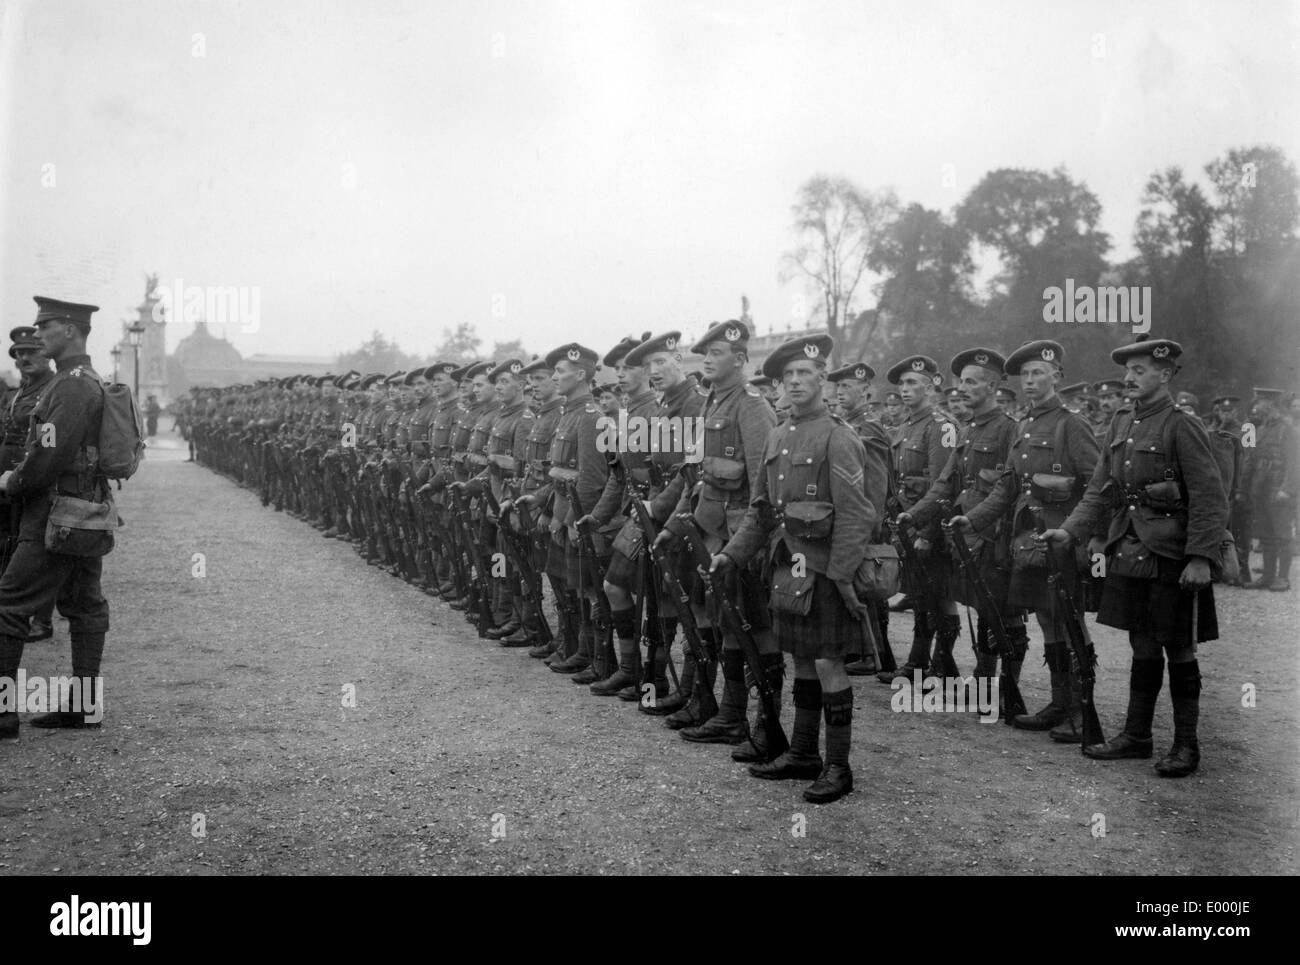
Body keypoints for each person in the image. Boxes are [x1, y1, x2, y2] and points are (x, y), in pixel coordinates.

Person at [1043, 336, 1226, 777]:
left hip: (1171, 554)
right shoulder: (1122, 421)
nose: (1129, 378)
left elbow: (1209, 495)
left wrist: (1201, 556)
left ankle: (1186, 745)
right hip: (1129, 548)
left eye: (1139, 371)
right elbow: (1099, 490)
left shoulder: (1182, 424)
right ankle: (1137, 736)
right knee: (1141, 642)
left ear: (1164, 375)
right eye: (1128, 371)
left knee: (1179, 648)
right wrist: (1070, 531)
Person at [715, 333, 873, 803]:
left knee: (828, 662)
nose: (796, 382)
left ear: (822, 379)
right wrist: (732, 554)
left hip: (824, 571)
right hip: (790, 567)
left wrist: (842, 575)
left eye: (805, 373)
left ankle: (839, 767)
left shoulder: (839, 437)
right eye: (788, 375)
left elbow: (856, 514)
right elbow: (761, 510)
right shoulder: (779, 436)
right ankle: (803, 752)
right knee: (802, 659)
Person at [948, 339, 1100, 742]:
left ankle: (1084, 711)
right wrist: (973, 519)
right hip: (1031, 544)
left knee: (1072, 622)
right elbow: (1008, 486)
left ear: (1057, 377)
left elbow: (1098, 486)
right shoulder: (1026, 426)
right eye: (1026, 374)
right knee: (1050, 620)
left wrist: (1080, 535)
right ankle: (1058, 703)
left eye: (1039, 373)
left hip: (1062, 541)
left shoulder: (1072, 424)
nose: (1031, 381)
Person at [650, 320, 779, 752]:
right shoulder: (711, 403)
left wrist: (745, 544)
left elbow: (764, 482)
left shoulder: (751, 405)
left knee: (751, 625)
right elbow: (696, 476)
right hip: (707, 530)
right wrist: (672, 526)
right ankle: (724, 710)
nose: (706, 358)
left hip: (740, 534)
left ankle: (759, 721)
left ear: (741, 360)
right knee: (720, 619)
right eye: (704, 352)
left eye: (717, 352)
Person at [0, 297, 113, 739]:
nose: (39, 334)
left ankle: (4, 714)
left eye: (45, 326)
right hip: (85, 512)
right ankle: (82, 708)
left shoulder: (68, 386)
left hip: (54, 516)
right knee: (85, 606)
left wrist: (12, 482)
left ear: (69, 329)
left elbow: (47, 457)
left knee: (8, 605)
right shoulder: (87, 380)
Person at [906, 348, 1026, 699]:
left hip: (996, 536)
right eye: (960, 382)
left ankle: (1007, 690)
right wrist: (915, 515)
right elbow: (945, 482)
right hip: (970, 536)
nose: (962, 389)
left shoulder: (1009, 429)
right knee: (984, 608)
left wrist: (978, 522)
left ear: (991, 387)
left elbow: (1009, 489)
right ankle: (985, 684)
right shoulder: (969, 430)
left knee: (1004, 613)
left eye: (971, 382)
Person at [825, 361, 891, 677]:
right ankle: (864, 649)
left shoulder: (868, 427)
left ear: (866, 392)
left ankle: (873, 653)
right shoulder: (845, 424)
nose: (840, 393)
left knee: (864, 585)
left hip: (863, 518)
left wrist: (870, 524)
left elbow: (875, 483)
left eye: (847, 387)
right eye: (838, 387)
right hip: (848, 514)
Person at [0, 327, 57, 641]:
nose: (24, 359)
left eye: (31, 352)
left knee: (37, 547)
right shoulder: (17, 392)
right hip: (8, 479)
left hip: (33, 478)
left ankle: (42, 620)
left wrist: (31, 472)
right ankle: (15, 614)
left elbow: (48, 441)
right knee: (10, 542)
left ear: (44, 354)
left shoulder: (51, 389)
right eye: (19, 354)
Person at [1240, 387, 1297, 590]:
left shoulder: (1287, 428)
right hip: (1261, 488)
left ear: (1270, 404)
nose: (1256, 406)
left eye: (1260, 402)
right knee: (1265, 534)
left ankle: (1282, 578)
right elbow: (1251, 459)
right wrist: (1245, 488)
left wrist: (1287, 489)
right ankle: (1268, 576)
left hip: (1279, 488)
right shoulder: (1260, 428)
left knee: (1282, 534)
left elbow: (1295, 461)